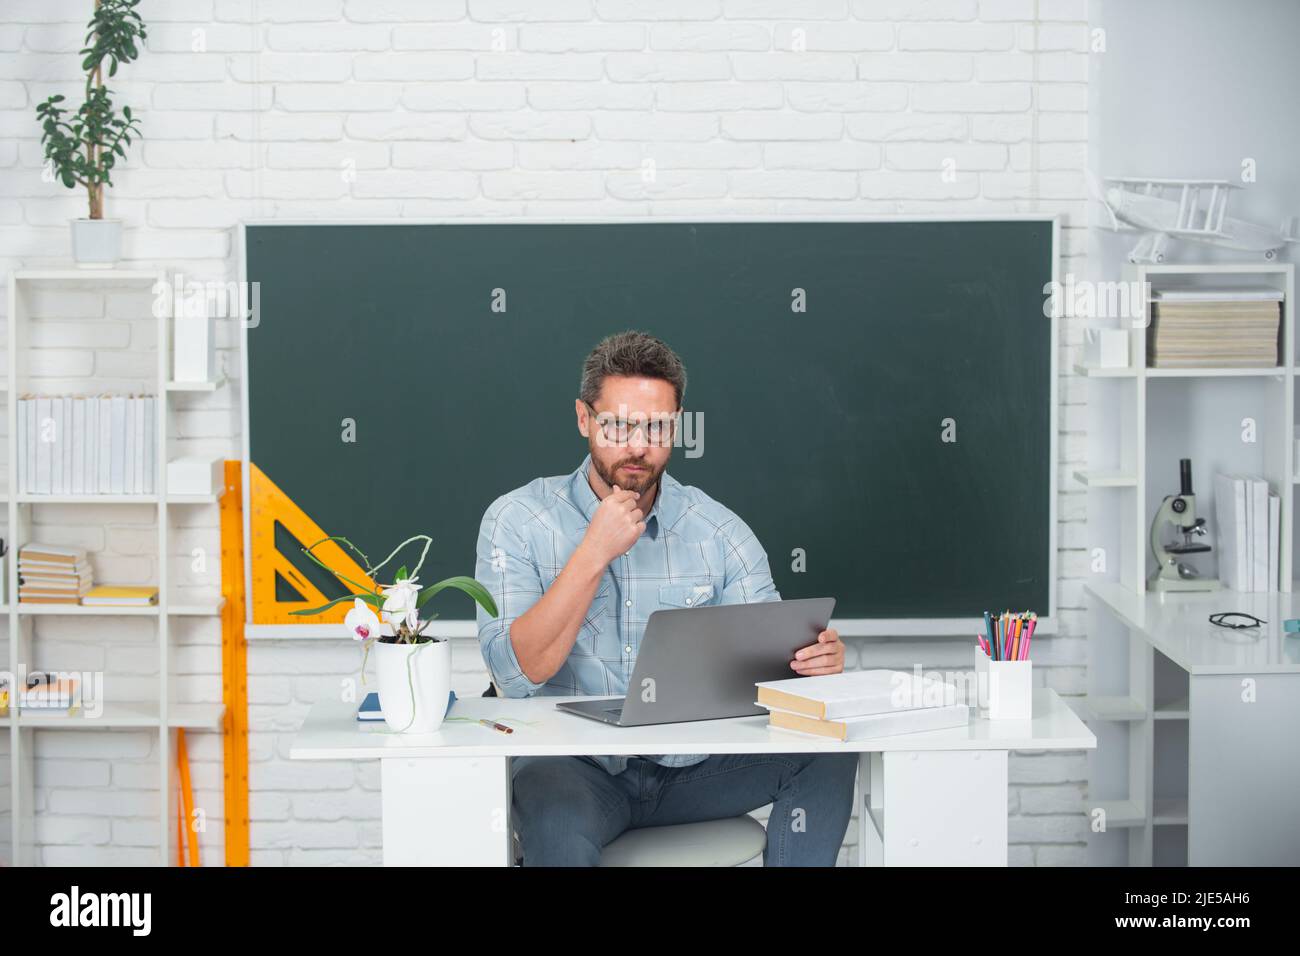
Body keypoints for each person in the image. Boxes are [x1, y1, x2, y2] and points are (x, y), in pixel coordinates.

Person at [475, 330, 857, 866]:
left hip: (697, 770)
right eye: (618, 424)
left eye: (656, 426)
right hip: (572, 771)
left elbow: (774, 673)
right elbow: (515, 677)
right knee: (551, 812)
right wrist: (592, 553)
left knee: (826, 752)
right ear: (584, 419)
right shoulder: (517, 521)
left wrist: (812, 662)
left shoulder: (717, 529)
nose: (637, 445)